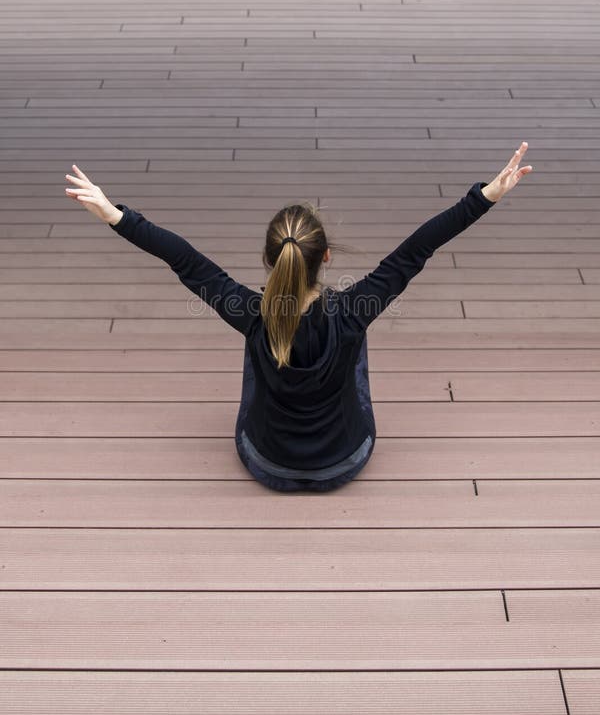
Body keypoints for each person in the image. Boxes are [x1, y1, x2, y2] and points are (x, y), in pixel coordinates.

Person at [64, 143, 533, 494]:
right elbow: (418, 249)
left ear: (270, 260)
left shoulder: (250, 313)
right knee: (354, 338)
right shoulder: (353, 310)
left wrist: (114, 215)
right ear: (326, 256)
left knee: (263, 342)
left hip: (267, 462)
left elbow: (186, 261)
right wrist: (485, 196)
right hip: (345, 460)